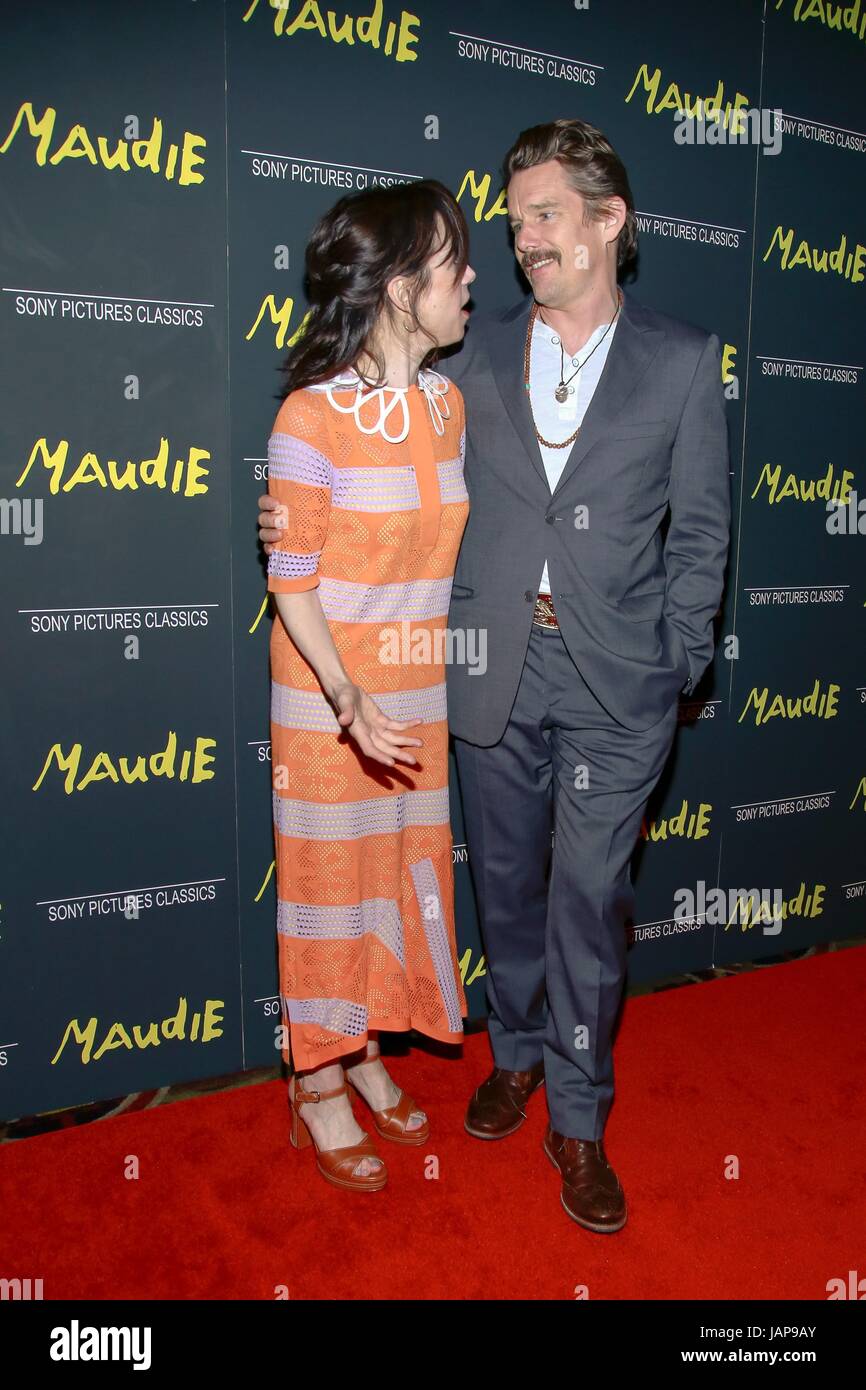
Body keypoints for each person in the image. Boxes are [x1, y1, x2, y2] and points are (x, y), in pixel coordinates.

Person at [260, 119, 731, 1231]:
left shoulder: (680, 359)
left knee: (587, 901)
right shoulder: (463, 359)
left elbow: (703, 536)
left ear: (608, 220)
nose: (521, 241)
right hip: (488, 676)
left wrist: (678, 662)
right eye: (511, 221)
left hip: (620, 685)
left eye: (544, 215)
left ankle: (578, 1114)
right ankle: (512, 1052)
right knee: (506, 893)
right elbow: (351, 432)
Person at [264, 178, 475, 1192]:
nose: (472, 279)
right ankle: (315, 1081)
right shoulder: (311, 417)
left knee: (396, 880)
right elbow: (291, 580)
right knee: (326, 893)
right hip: (329, 704)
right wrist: (348, 699)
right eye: (451, 264)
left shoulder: (449, 404)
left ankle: (367, 1050)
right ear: (398, 287)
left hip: (418, 699)